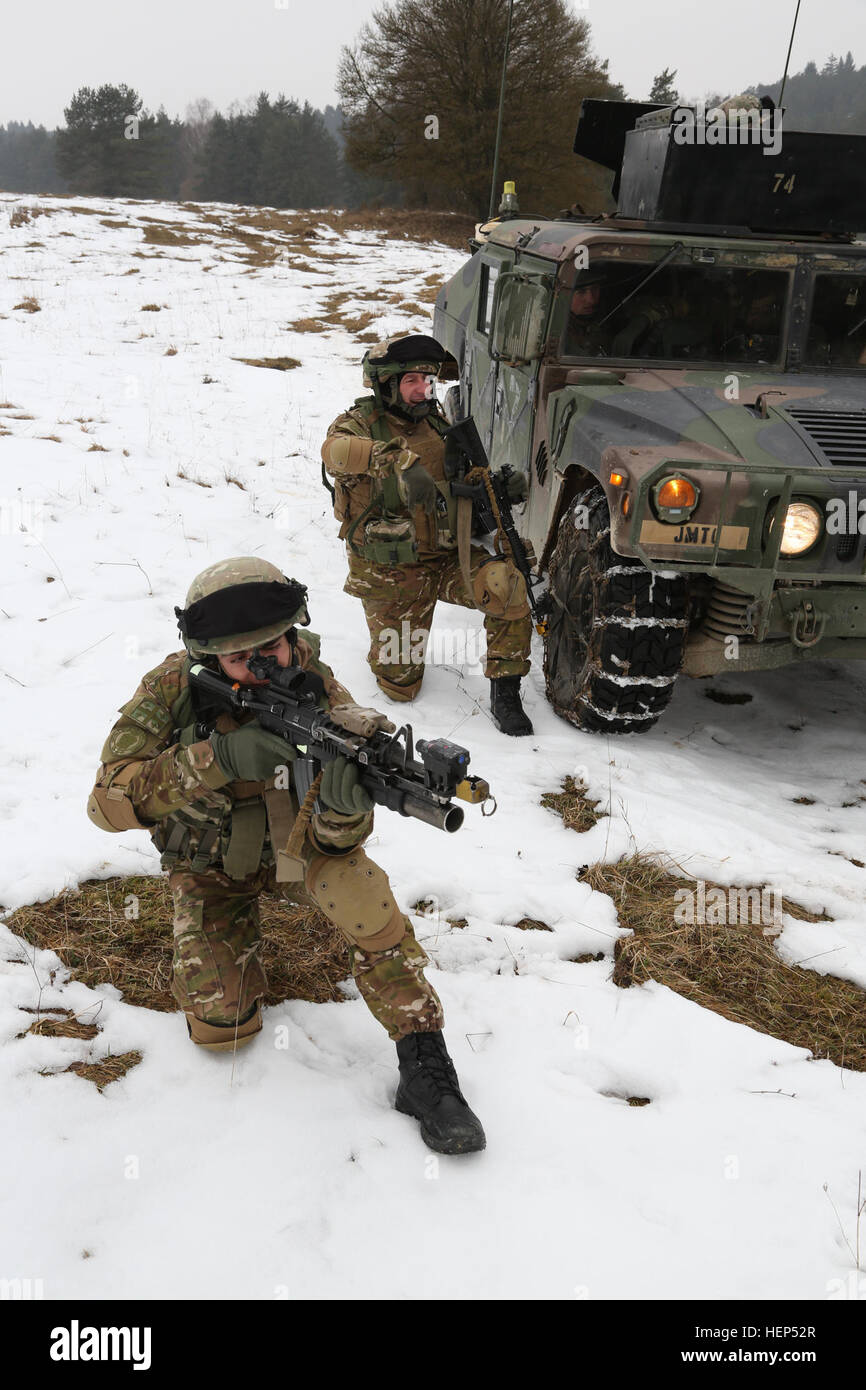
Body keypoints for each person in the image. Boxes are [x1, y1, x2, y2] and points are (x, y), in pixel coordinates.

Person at [86, 557, 485, 1155]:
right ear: (207, 658)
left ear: (294, 636)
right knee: (222, 1027)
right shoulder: (172, 688)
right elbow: (106, 804)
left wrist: (346, 809)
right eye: (240, 659)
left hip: (296, 855)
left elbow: (339, 841)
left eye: (273, 647)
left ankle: (425, 1063)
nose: (262, 665)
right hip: (209, 866)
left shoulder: (322, 690)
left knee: (361, 894)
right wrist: (216, 760)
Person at [320, 334, 534, 736]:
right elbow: (333, 451)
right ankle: (394, 665)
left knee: (507, 584)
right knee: (401, 686)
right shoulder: (361, 424)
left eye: (426, 380)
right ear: (386, 383)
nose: (422, 389)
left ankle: (506, 689)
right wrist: (393, 459)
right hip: (394, 573)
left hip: (450, 559)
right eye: (411, 381)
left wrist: (494, 486)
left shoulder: (435, 422)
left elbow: (462, 476)